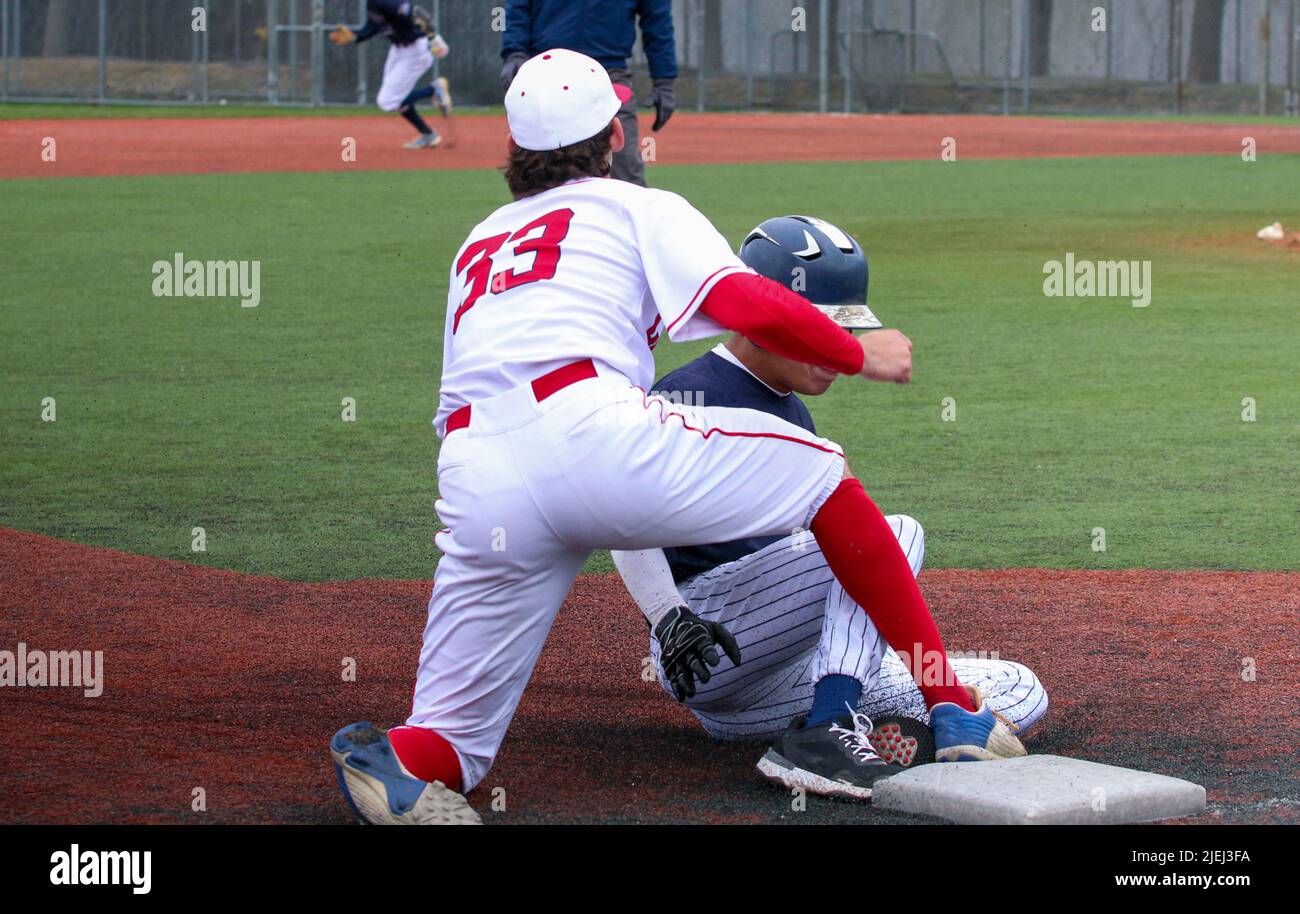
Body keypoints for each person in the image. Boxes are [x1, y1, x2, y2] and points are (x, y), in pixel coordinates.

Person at [331, 50, 1016, 826]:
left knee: (452, 739)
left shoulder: (479, 241)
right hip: (589, 428)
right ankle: (952, 710)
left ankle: (401, 761)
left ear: (518, 149)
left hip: (476, 471)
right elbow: (741, 299)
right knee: (826, 478)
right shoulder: (632, 206)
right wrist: (854, 351)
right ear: (613, 137)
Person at [611, 216, 1047, 801]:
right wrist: (666, 616)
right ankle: (832, 721)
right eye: (815, 330)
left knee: (1018, 688)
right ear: (759, 319)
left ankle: (843, 723)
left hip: (758, 689)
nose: (833, 352)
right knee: (894, 534)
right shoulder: (688, 395)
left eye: (842, 331)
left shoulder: (790, 407)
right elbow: (619, 515)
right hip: (705, 640)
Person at [499, 0, 675, 186]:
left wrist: (664, 79)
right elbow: (516, 7)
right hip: (548, 72)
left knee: (626, 176)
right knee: (536, 172)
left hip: (609, 74)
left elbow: (657, 19)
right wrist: (514, 51)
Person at [330, 1, 452, 149]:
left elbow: (417, 14)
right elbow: (374, 25)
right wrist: (356, 36)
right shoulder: (372, 3)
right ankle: (428, 135)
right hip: (398, 50)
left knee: (387, 101)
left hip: (416, 51)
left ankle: (434, 90)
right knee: (396, 99)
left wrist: (433, 38)